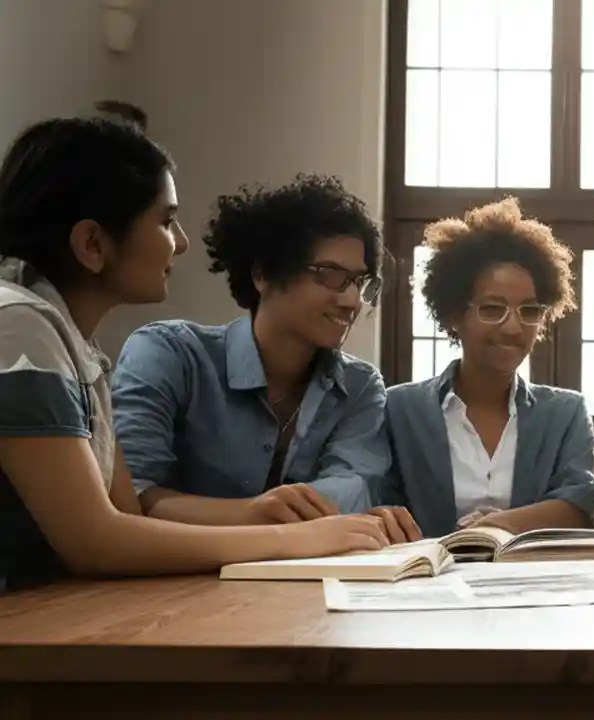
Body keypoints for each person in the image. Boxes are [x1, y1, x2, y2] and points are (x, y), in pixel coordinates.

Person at [0, 117, 388, 591]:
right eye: (166, 221)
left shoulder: (77, 348)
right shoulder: (19, 326)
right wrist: (290, 539)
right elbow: (97, 542)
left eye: (359, 282)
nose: (180, 242)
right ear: (92, 243)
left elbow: (126, 515)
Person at [111, 175, 420, 543]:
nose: (352, 300)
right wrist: (248, 514)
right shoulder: (170, 355)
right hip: (168, 585)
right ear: (262, 273)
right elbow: (132, 497)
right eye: (330, 276)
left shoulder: (359, 386)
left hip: (303, 590)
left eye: (359, 281)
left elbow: (354, 489)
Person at [377, 198, 594, 537]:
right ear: (453, 314)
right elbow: (381, 503)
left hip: (533, 582)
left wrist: (500, 525)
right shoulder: (399, 409)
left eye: (529, 311)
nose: (512, 327)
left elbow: (581, 502)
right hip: (425, 581)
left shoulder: (565, 412)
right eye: (493, 309)